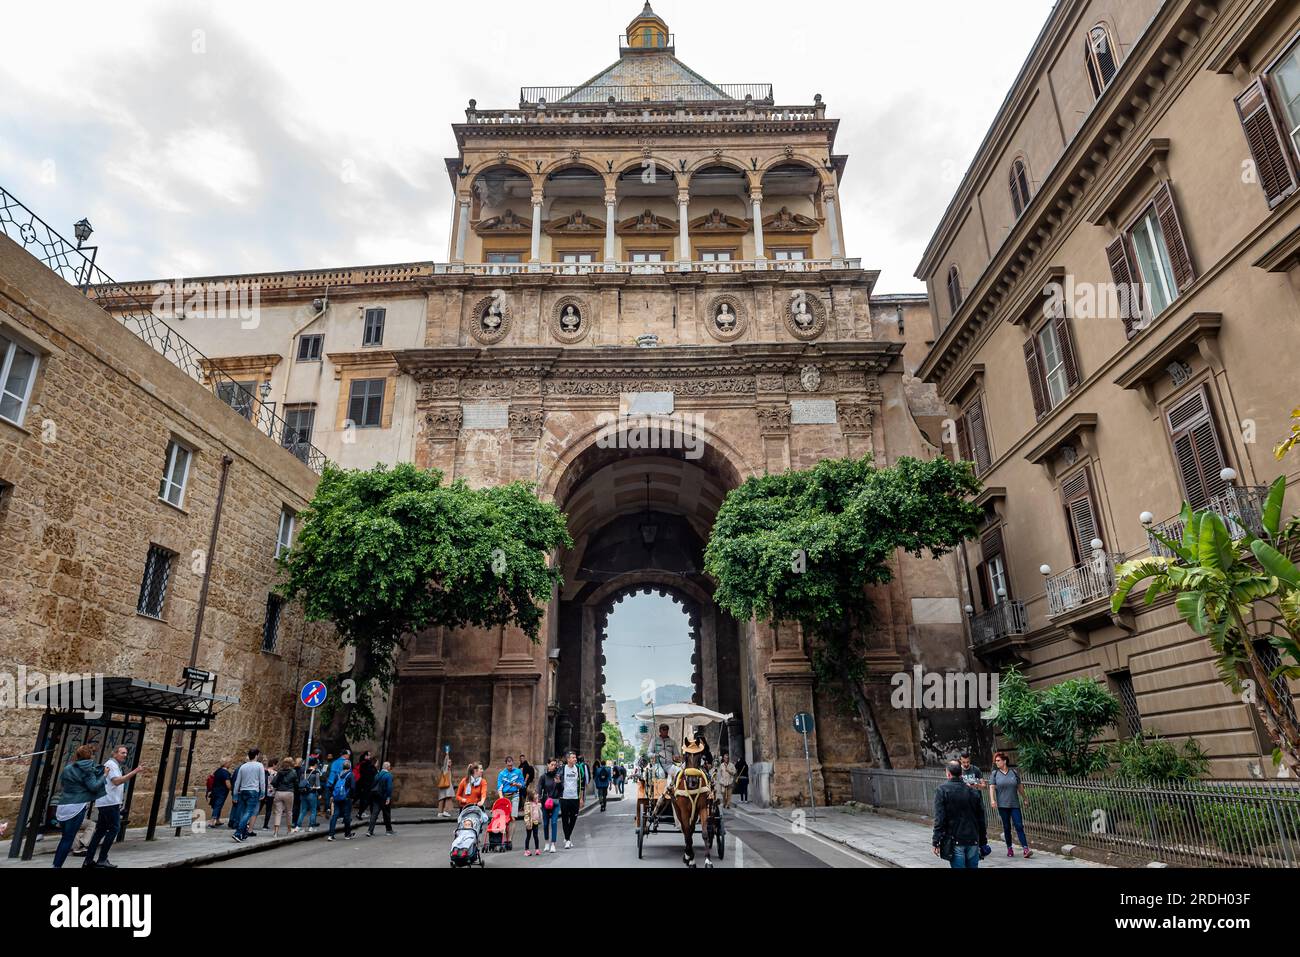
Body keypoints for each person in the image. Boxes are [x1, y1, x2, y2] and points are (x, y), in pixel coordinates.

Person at [83, 745, 144, 869]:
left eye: (126, 753)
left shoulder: (115, 765)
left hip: (108, 802)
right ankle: (102, 859)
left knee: (100, 831)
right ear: (115, 753)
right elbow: (116, 781)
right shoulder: (111, 764)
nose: (125, 755)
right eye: (122, 753)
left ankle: (88, 861)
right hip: (110, 803)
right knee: (114, 829)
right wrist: (135, 771)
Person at [51, 745, 107, 868]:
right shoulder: (88, 770)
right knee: (68, 839)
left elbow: (63, 784)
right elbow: (94, 787)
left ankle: (56, 864)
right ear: (91, 756)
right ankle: (57, 866)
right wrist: (104, 776)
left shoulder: (67, 768)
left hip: (63, 805)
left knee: (64, 838)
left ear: (76, 755)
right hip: (76, 807)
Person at [932, 759, 988, 869]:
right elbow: (981, 818)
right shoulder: (973, 792)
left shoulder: (942, 790)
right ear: (961, 773)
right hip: (973, 839)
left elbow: (940, 818)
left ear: (948, 774)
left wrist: (936, 840)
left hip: (955, 839)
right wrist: (983, 841)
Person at [990, 751, 1032, 858]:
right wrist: (992, 800)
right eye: (996, 761)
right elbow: (991, 787)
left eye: (998, 760)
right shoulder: (995, 774)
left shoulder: (1014, 772)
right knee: (1007, 827)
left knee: (1019, 825)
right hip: (1003, 805)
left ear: (1004, 761)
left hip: (1014, 804)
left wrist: (1025, 798)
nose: (996, 763)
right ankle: (1009, 848)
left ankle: (1025, 849)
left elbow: (1020, 786)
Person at [231, 748, 266, 843]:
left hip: (243, 791)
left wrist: (235, 794)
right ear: (256, 755)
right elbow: (262, 781)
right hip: (253, 791)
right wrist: (263, 792)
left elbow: (237, 782)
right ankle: (238, 833)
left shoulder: (243, 766)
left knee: (242, 812)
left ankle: (243, 833)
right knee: (248, 813)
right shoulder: (259, 766)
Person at [537, 758, 562, 854]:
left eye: (555, 765)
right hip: (545, 803)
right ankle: (547, 842)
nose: (553, 766)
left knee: (554, 822)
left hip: (555, 802)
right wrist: (538, 799)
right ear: (547, 765)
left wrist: (559, 783)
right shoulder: (543, 777)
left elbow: (561, 789)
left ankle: (553, 844)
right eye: (552, 764)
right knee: (546, 823)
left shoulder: (557, 776)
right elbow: (539, 788)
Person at [327, 759, 354, 841]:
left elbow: (332, 786)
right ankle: (347, 834)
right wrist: (351, 796)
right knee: (347, 816)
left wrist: (333, 795)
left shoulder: (338, 774)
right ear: (350, 766)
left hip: (336, 797)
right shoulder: (350, 775)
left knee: (335, 815)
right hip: (346, 798)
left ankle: (331, 835)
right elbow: (353, 787)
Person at [269, 757, 297, 837]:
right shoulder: (293, 772)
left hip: (279, 792)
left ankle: (276, 832)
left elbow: (273, 782)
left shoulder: (279, 772)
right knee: (289, 812)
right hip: (289, 792)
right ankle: (289, 830)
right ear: (291, 763)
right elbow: (296, 783)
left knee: (278, 812)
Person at [560, 751, 583, 849]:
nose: (575, 759)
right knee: (565, 819)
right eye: (573, 757)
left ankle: (567, 837)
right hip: (564, 798)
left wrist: (581, 798)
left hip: (575, 798)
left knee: (573, 819)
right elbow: (557, 781)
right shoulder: (562, 769)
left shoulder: (578, 768)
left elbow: (581, 784)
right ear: (568, 759)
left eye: (575, 757)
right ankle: (568, 840)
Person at [457, 762, 489, 830]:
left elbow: (484, 793)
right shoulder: (464, 781)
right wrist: (463, 800)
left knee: (476, 828)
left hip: (476, 808)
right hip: (465, 808)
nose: (482, 770)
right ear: (475, 771)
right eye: (481, 769)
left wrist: (482, 801)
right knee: (463, 828)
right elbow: (458, 796)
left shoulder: (483, 781)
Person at [368, 761, 395, 836]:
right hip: (384, 796)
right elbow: (389, 787)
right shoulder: (389, 775)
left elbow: (373, 784)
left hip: (376, 796)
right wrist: (388, 797)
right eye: (389, 766)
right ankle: (388, 830)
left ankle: (370, 831)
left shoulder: (377, 774)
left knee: (374, 814)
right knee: (386, 813)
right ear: (388, 767)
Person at [294, 758, 322, 832]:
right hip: (312, 793)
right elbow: (318, 784)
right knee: (313, 810)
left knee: (303, 810)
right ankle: (311, 827)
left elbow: (301, 782)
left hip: (303, 793)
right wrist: (320, 793)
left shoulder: (303, 772)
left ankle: (298, 826)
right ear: (315, 764)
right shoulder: (316, 772)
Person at [496, 755, 525, 819]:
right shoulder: (501, 774)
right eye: (508, 766)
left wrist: (516, 784)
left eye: (511, 765)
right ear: (506, 764)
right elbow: (499, 787)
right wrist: (501, 798)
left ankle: (512, 829)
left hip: (515, 795)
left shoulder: (518, 772)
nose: (510, 767)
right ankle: (505, 829)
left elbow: (522, 785)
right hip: (505, 796)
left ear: (513, 763)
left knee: (513, 816)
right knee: (505, 816)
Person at [209, 759, 232, 827]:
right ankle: (212, 821)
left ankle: (217, 820)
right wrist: (232, 789)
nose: (230, 764)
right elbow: (228, 784)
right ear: (225, 764)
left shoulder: (218, 771)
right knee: (218, 805)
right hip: (221, 792)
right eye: (229, 762)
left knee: (217, 805)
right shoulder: (225, 772)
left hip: (215, 791)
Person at [522, 788, 542, 857]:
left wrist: (537, 801)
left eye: (536, 794)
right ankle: (526, 850)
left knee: (536, 836)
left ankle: (537, 849)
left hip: (535, 822)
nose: (537, 795)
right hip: (529, 823)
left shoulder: (536, 803)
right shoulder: (528, 804)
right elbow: (526, 814)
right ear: (531, 796)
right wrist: (527, 823)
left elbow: (539, 809)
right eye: (535, 794)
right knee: (528, 836)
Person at [436, 746, 455, 818]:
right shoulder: (445, 768)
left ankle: (440, 812)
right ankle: (445, 811)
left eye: (451, 762)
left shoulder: (447, 769)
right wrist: (447, 754)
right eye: (449, 762)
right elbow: (445, 761)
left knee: (442, 798)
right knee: (448, 798)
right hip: (447, 786)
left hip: (443, 786)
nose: (450, 763)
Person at [518, 754, 536, 819]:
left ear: (524, 758)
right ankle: (521, 807)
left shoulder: (526, 765)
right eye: (521, 758)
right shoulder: (520, 765)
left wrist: (525, 781)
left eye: (523, 758)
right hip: (520, 782)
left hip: (525, 782)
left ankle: (527, 806)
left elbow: (528, 774)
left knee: (525, 794)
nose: (522, 759)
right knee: (520, 794)